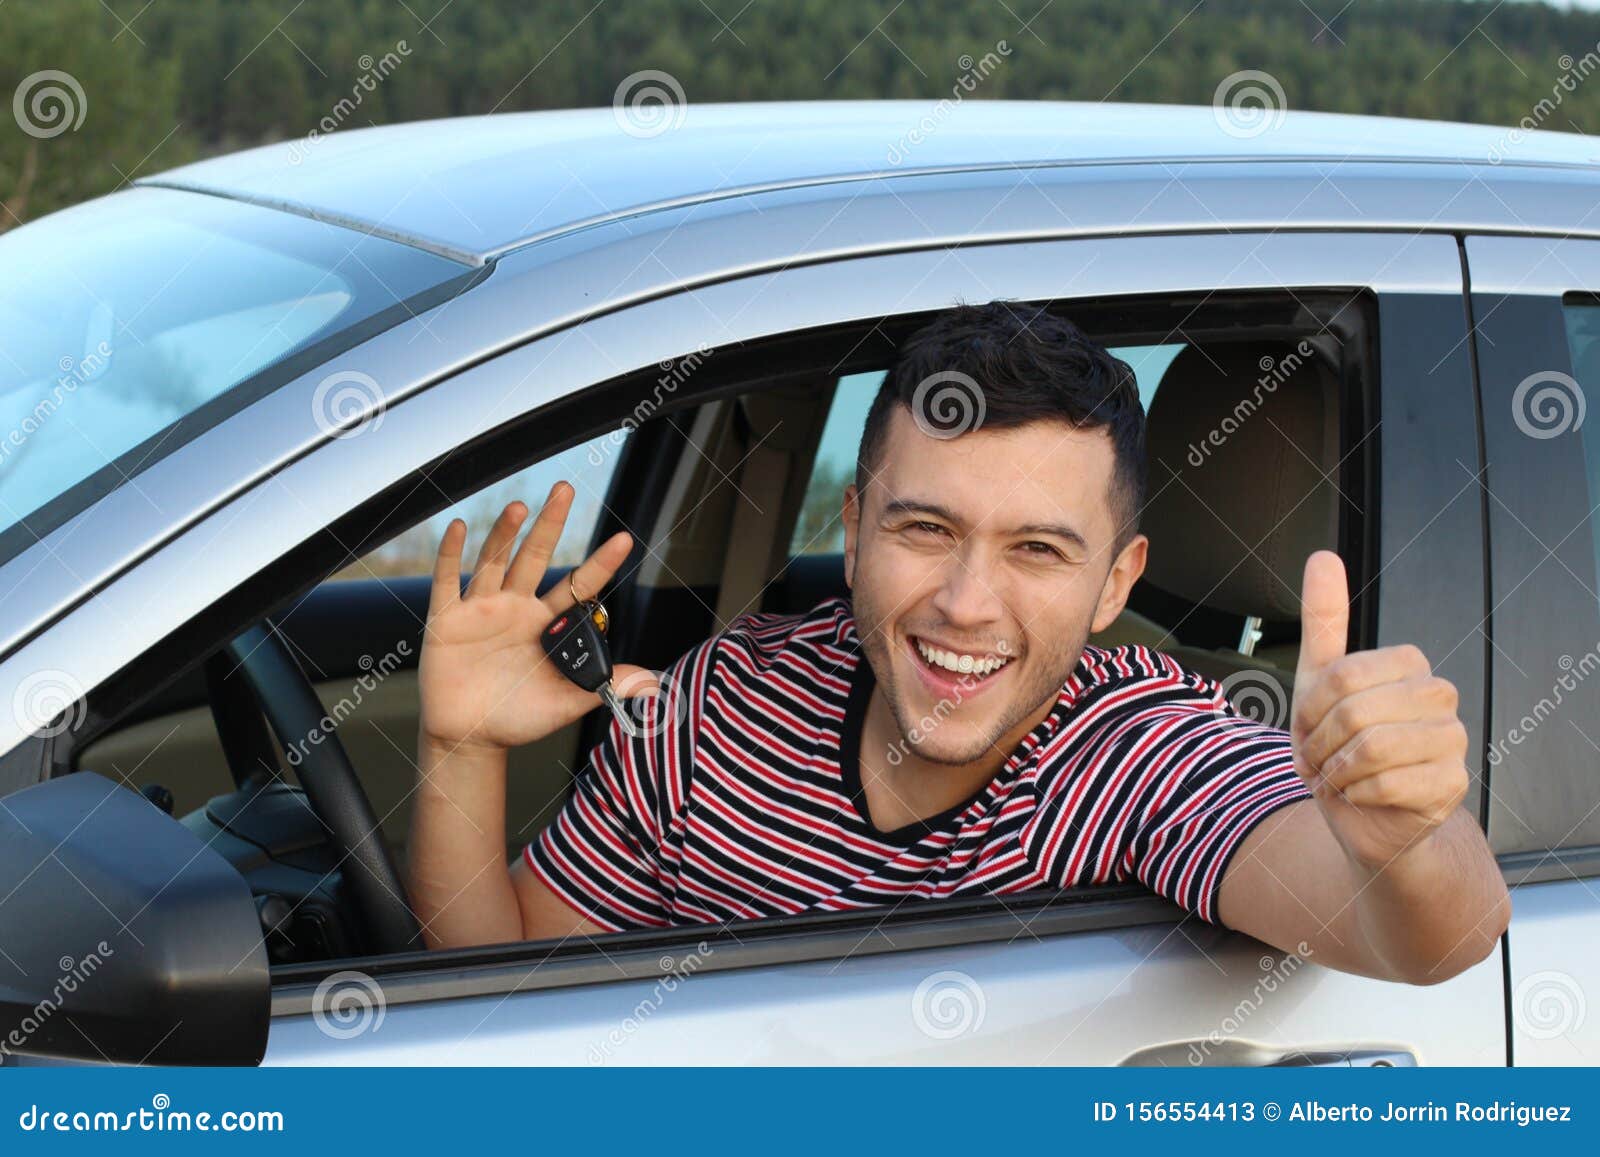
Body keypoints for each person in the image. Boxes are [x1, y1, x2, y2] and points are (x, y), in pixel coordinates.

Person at [405, 302, 1509, 984]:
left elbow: (1427, 943)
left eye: (1037, 548)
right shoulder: (725, 697)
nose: (967, 602)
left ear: (1112, 581)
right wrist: (459, 747)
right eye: (925, 528)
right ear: (850, 529)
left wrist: (1407, 837)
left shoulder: (1142, 749)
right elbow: (504, 987)